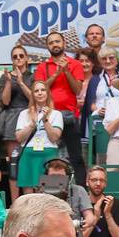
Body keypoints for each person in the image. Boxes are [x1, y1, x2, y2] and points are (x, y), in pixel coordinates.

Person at [34, 30, 86, 176]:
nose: (54, 44)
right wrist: (56, 73)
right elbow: (40, 88)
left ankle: (80, 189)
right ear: (47, 47)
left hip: (70, 117)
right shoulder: (42, 67)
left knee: (76, 158)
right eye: (51, 42)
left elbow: (77, 90)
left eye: (57, 41)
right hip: (48, 117)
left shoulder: (75, 64)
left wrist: (66, 71)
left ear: (64, 43)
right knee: (49, 157)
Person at [14, 80, 64, 193]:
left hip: (49, 155)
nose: (40, 93)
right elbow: (19, 137)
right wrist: (32, 124)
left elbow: (55, 137)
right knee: (29, 198)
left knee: (51, 194)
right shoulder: (24, 114)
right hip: (28, 155)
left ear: (48, 93)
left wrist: (45, 120)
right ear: (32, 94)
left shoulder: (56, 114)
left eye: (43, 90)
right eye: (36, 91)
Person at [83, 166, 119, 237]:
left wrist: (107, 214)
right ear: (87, 182)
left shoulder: (114, 203)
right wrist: (95, 218)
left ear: (106, 183)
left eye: (102, 180)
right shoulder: (80, 203)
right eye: (94, 180)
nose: (98, 183)